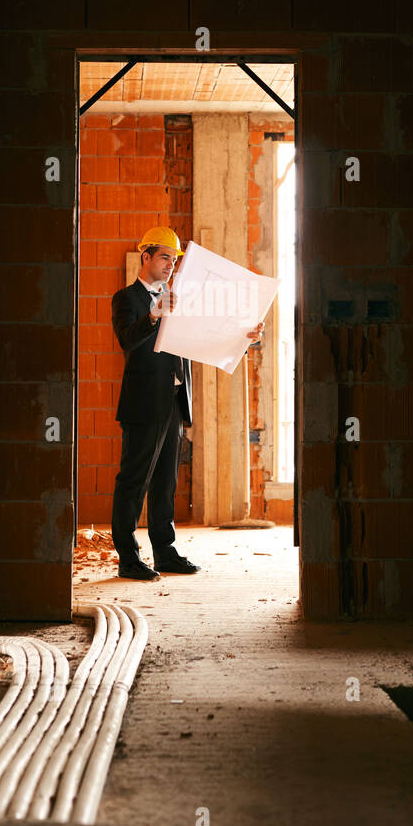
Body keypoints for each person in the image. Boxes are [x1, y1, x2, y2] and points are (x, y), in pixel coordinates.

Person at [110, 227, 264, 580]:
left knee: (165, 482)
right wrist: (153, 316)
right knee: (134, 480)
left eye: (174, 259)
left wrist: (244, 337)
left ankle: (165, 553)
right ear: (146, 256)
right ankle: (128, 559)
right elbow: (126, 340)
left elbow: (206, 335)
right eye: (165, 257)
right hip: (144, 401)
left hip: (175, 401)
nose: (170, 265)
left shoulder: (181, 297)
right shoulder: (127, 298)